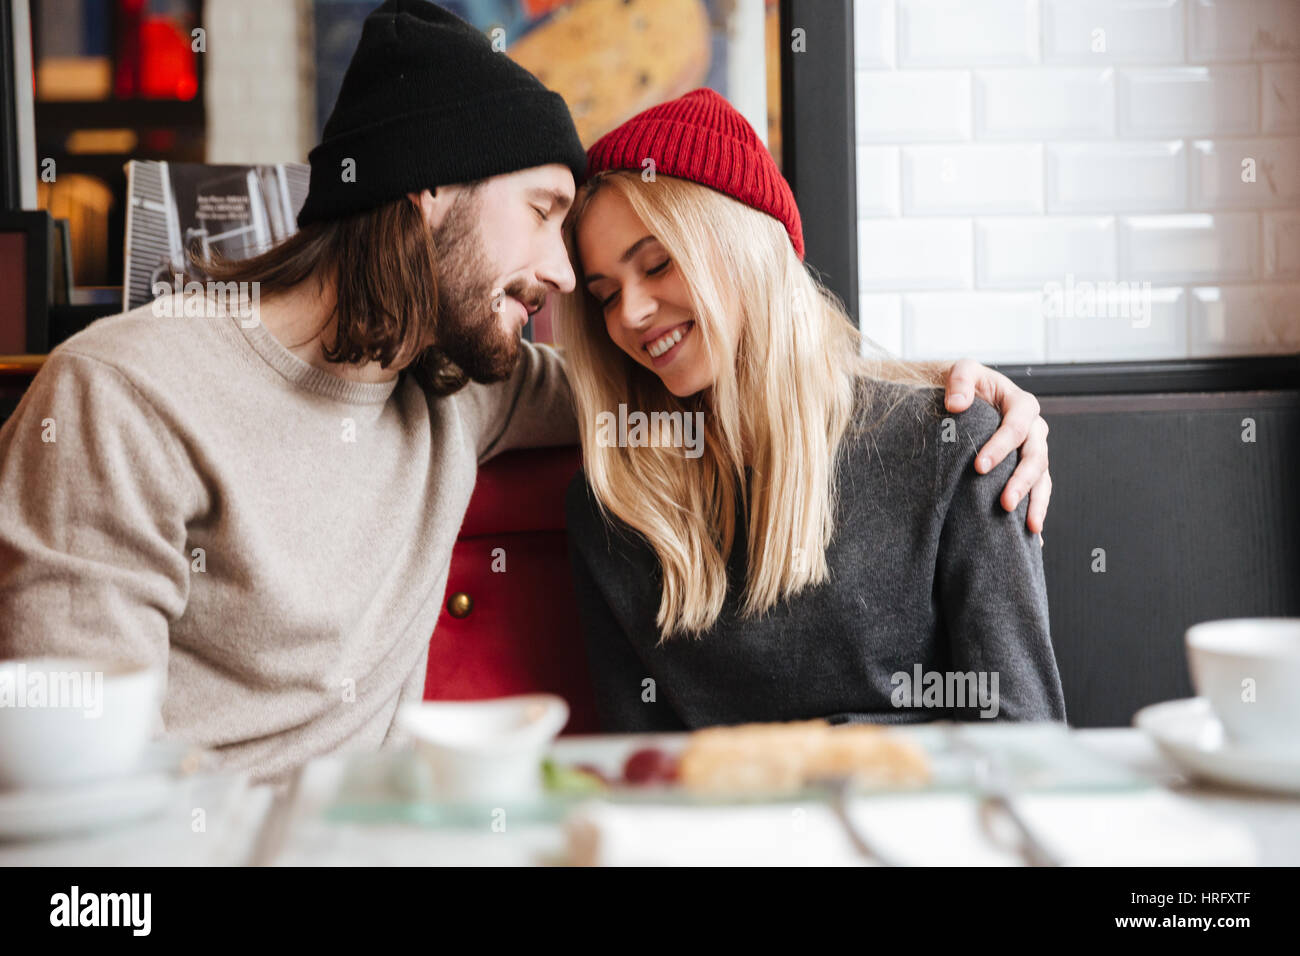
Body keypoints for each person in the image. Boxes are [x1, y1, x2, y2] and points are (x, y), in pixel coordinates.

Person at [0, 2, 1050, 783]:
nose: (570, 284)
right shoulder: (122, 391)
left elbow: (741, 362)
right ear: (425, 191)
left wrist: (964, 398)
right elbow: (67, 773)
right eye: (547, 212)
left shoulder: (453, 383)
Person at [557, 89, 1066, 732]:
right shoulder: (613, 502)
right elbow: (638, 770)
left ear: (746, 247)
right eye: (604, 296)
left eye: (657, 263)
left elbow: (1025, 741)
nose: (628, 314)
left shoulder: (958, 445)